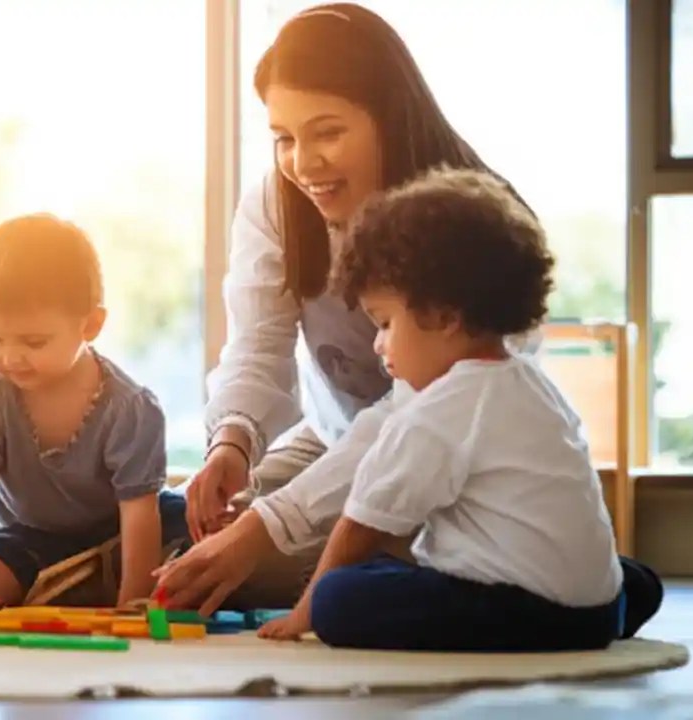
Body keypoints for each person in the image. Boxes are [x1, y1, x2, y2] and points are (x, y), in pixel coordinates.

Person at [176, 1, 663, 638]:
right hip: (332, 435)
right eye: (285, 138)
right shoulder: (277, 201)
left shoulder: (475, 222)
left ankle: (556, 577)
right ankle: (594, 583)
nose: (304, 163)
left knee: (320, 564)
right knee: (197, 545)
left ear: (388, 114)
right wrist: (233, 441)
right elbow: (258, 342)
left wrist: (270, 528)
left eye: (327, 132)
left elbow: (416, 423)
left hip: (452, 456)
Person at [257, 167, 627, 650]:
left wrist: (305, 613)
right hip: (600, 611)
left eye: (386, 323)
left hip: (518, 609)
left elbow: (358, 527)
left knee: (339, 598)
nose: (378, 344)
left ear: (446, 316)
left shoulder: (438, 409)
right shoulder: (530, 381)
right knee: (636, 578)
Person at [0, 214, 189, 610]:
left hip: (118, 535)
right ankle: (74, 584)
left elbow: (140, 517)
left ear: (91, 324)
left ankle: (96, 583)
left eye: (33, 341)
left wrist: (133, 603)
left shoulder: (129, 408)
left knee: (191, 552)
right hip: (30, 536)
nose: (9, 357)